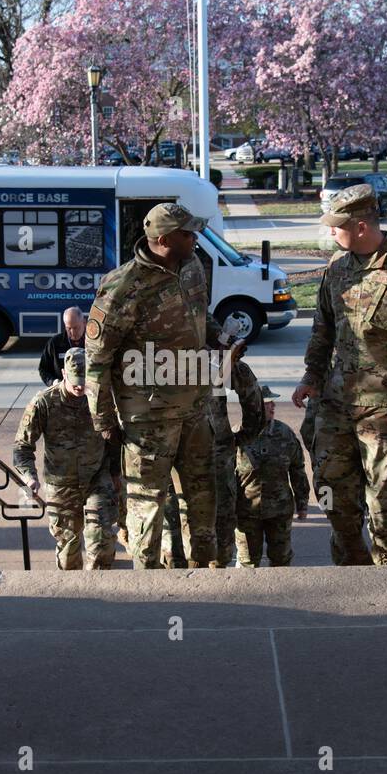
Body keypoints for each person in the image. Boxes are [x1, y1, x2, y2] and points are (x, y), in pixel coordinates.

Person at [292, 183, 387, 565]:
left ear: (361, 226)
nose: (330, 232)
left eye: (336, 226)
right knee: (336, 503)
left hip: (385, 411)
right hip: (335, 405)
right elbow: (322, 328)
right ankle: (353, 578)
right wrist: (310, 377)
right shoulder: (337, 268)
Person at [85, 201, 242, 569]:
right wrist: (103, 419)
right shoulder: (123, 286)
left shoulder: (192, 268)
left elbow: (201, 316)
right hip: (148, 418)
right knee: (147, 503)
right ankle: (149, 581)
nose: (196, 238)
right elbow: (97, 359)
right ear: (164, 239)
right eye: (188, 234)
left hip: (194, 407)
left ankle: (205, 569)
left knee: (202, 493)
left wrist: (221, 339)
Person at [13, 347, 116, 570]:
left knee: (102, 540)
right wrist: (29, 477)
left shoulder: (101, 398)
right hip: (61, 484)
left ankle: (102, 590)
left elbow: (116, 437)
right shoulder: (44, 403)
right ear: (63, 373)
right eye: (75, 381)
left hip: (96, 478)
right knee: (68, 547)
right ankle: (75, 597)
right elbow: (22, 446)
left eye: (85, 381)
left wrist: (117, 475)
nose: (80, 387)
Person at [162, 356, 263, 568]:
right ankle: (213, 570)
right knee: (217, 519)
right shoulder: (213, 355)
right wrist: (245, 434)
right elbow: (249, 391)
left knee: (177, 518)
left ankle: (185, 571)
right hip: (212, 448)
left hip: (173, 452)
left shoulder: (159, 351)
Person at [234, 387, 308, 567]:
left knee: (281, 559)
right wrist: (225, 510)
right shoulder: (237, 435)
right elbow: (225, 475)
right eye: (268, 403)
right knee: (248, 562)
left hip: (280, 511)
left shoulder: (285, 434)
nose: (273, 406)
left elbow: (297, 469)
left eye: (273, 402)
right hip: (246, 511)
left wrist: (302, 503)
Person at [39, 306, 86, 387]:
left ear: (84, 323)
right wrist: (53, 382)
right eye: (69, 328)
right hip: (62, 390)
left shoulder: (94, 343)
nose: (72, 332)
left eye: (75, 328)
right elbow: (43, 369)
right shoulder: (54, 343)